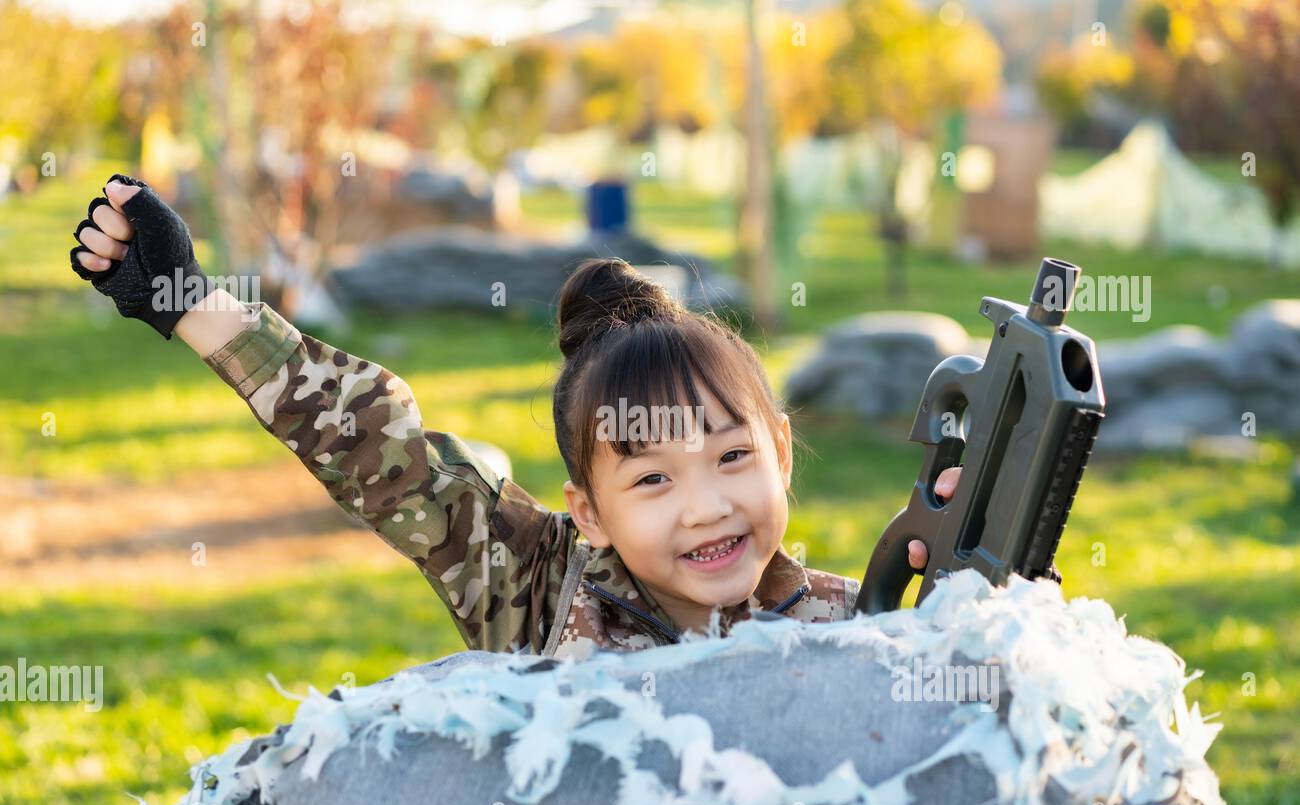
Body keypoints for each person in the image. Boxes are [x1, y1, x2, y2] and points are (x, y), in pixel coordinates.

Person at [69, 173, 963, 660]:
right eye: (652, 477)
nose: (706, 507)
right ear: (590, 511)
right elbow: (381, 449)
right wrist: (194, 305)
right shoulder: (532, 585)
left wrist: (977, 568)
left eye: (732, 458)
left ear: (781, 455)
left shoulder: (861, 627)